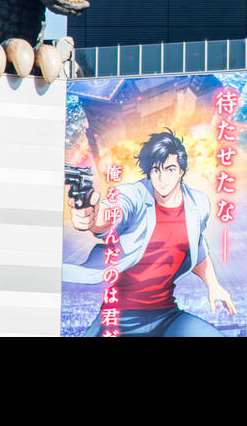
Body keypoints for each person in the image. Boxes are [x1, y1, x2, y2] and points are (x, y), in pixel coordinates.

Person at [66, 129, 236, 336]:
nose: (162, 178)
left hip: (167, 316)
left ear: (181, 171)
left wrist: (214, 285)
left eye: (170, 169)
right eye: (156, 171)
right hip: (120, 318)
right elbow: (115, 211)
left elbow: (197, 248)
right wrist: (92, 217)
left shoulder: (198, 203)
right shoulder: (136, 195)